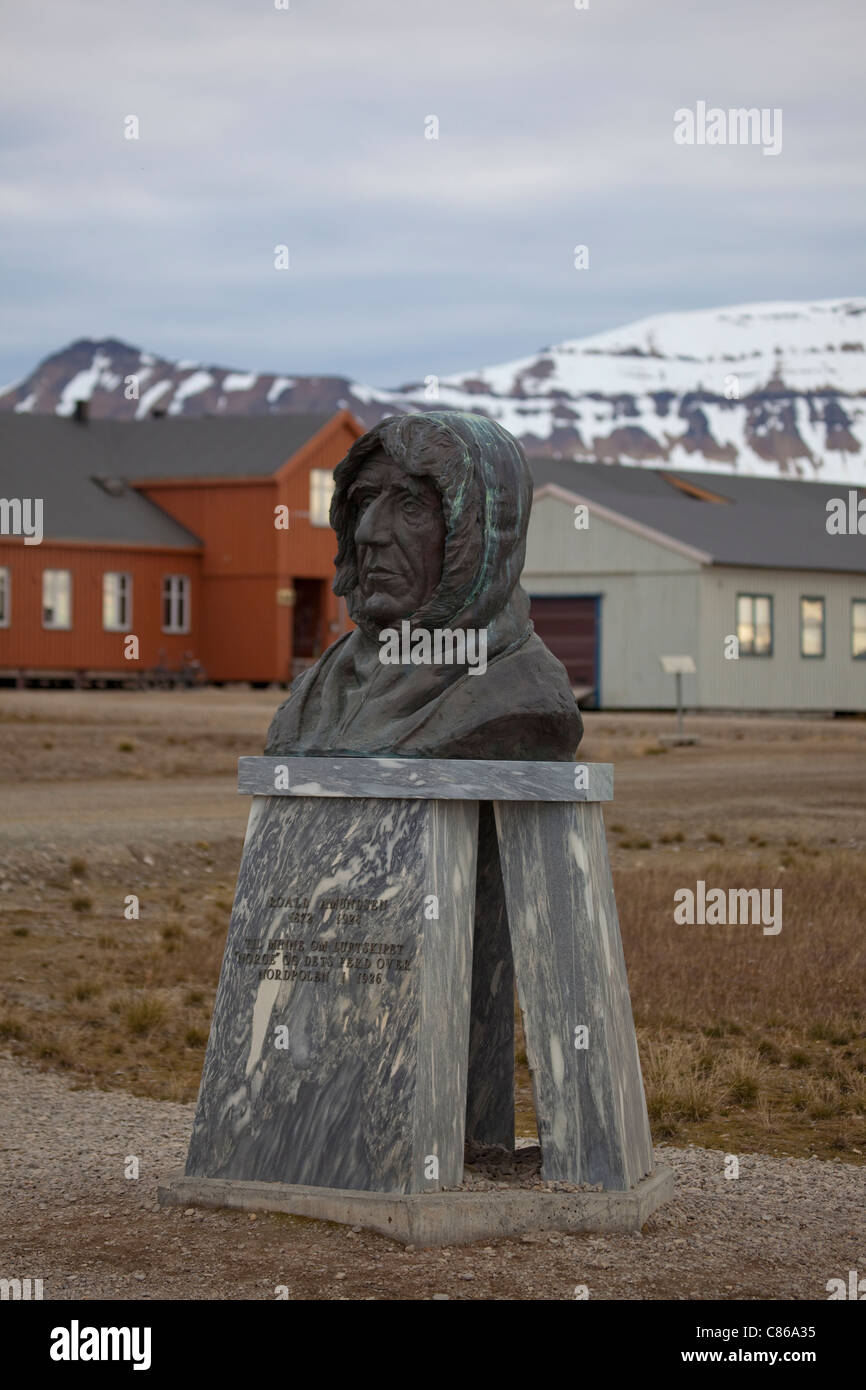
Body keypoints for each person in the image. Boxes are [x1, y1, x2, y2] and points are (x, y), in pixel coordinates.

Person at [265, 411, 582, 760]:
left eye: (410, 505)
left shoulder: (524, 694)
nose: (368, 532)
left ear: (484, 534)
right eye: (366, 501)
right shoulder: (322, 687)